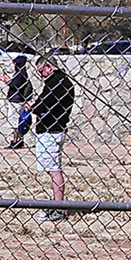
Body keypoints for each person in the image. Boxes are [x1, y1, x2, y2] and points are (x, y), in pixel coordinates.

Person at [29, 53, 74, 221]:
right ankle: (57, 204)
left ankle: (58, 208)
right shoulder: (59, 81)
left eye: (42, 70)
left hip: (52, 129)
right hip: (52, 128)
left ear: (49, 66)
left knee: (54, 169)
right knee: (51, 168)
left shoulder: (57, 82)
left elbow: (44, 103)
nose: (41, 74)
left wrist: (34, 107)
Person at [1, 54, 33, 149]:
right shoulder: (22, 72)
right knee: (17, 121)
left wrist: (6, 81)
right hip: (18, 100)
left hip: (16, 101)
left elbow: (15, 85)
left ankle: (16, 140)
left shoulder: (20, 73)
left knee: (14, 121)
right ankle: (18, 140)